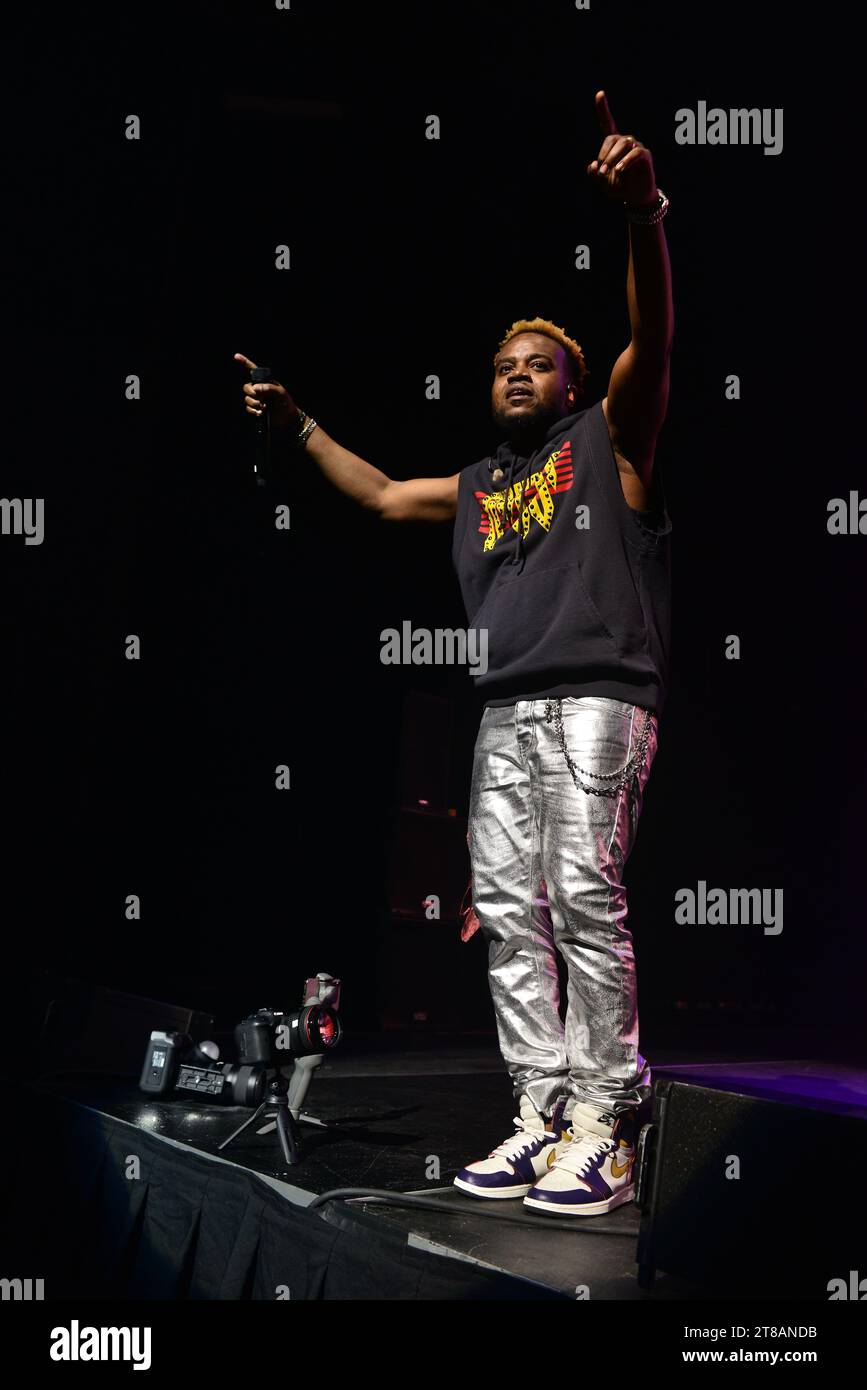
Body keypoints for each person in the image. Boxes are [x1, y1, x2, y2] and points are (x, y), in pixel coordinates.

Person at [234, 90, 673, 1217]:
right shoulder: (481, 483)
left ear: (573, 384)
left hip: (596, 698)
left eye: (540, 362)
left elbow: (654, 336)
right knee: (507, 910)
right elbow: (381, 495)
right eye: (505, 365)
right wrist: (300, 430)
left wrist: (642, 216)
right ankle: (540, 1109)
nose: (520, 372)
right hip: (508, 711)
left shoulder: (608, 441)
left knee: (581, 893)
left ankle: (609, 1117)